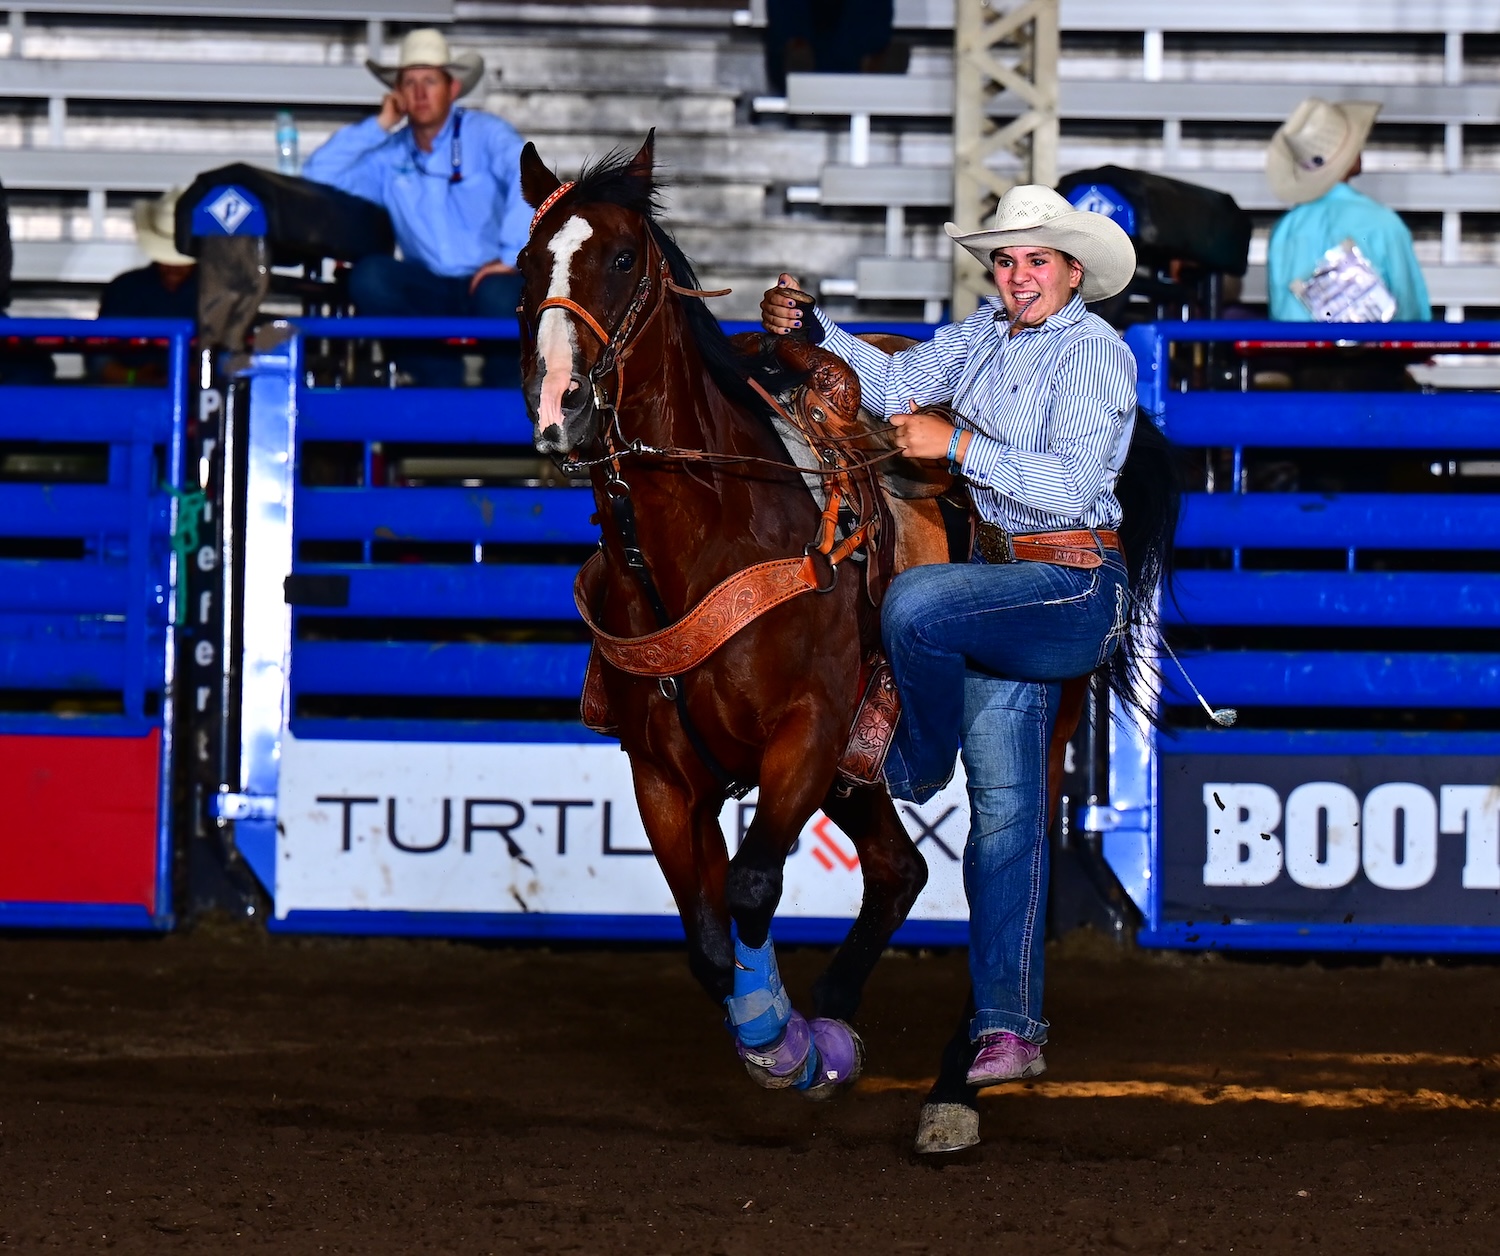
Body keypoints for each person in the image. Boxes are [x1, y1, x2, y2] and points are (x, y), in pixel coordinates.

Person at [759, 185, 1136, 1087]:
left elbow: (1076, 489)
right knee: (1007, 820)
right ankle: (1011, 1031)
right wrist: (818, 328)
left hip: (1072, 579)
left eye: (1035, 260)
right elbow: (890, 385)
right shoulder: (979, 337)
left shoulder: (1098, 353)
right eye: (1006, 261)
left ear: (1073, 271)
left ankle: (910, 764)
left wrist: (958, 450)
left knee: (918, 604)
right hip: (1009, 583)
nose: (1016, 276)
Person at [302, 27, 530, 387]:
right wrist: (380, 125)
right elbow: (317, 172)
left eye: (430, 81)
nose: (420, 93)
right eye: (409, 83)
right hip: (429, 286)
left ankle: (504, 401)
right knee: (370, 278)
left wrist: (508, 256)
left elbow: (528, 177)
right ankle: (439, 386)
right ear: (398, 94)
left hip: (490, 280)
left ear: (452, 89)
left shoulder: (486, 134)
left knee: (506, 298)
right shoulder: (389, 155)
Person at [1265, 97, 1430, 322]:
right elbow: (1409, 309)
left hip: (1299, 355)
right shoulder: (1382, 222)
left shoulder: (1284, 230)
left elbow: (1280, 310)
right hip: (1374, 354)